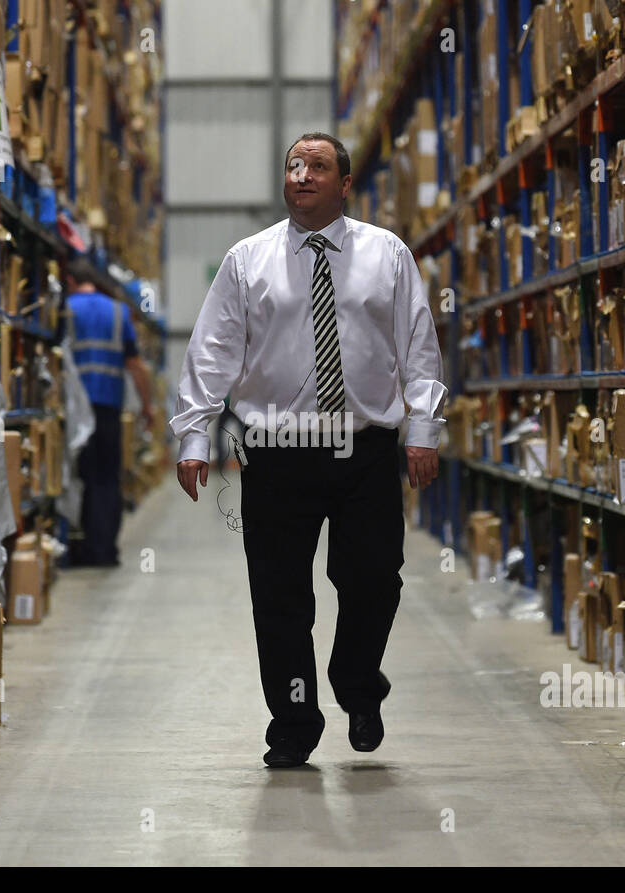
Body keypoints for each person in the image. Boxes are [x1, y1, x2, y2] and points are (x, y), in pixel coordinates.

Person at [169, 132, 447, 768]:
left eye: (318, 166)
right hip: (276, 452)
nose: (302, 175)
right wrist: (194, 436)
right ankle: (293, 722)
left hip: (366, 449)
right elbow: (212, 352)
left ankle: (356, 683)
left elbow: (418, 346)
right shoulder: (247, 260)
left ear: (345, 184)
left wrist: (423, 428)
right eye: (293, 165)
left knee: (374, 579)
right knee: (280, 595)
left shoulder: (388, 255)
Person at [65, 261, 156, 566]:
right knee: (107, 477)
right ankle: (105, 549)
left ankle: (83, 547)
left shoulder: (66, 308)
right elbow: (136, 365)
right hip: (109, 407)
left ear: (70, 280)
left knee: (82, 476)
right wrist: (147, 404)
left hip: (76, 411)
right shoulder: (119, 312)